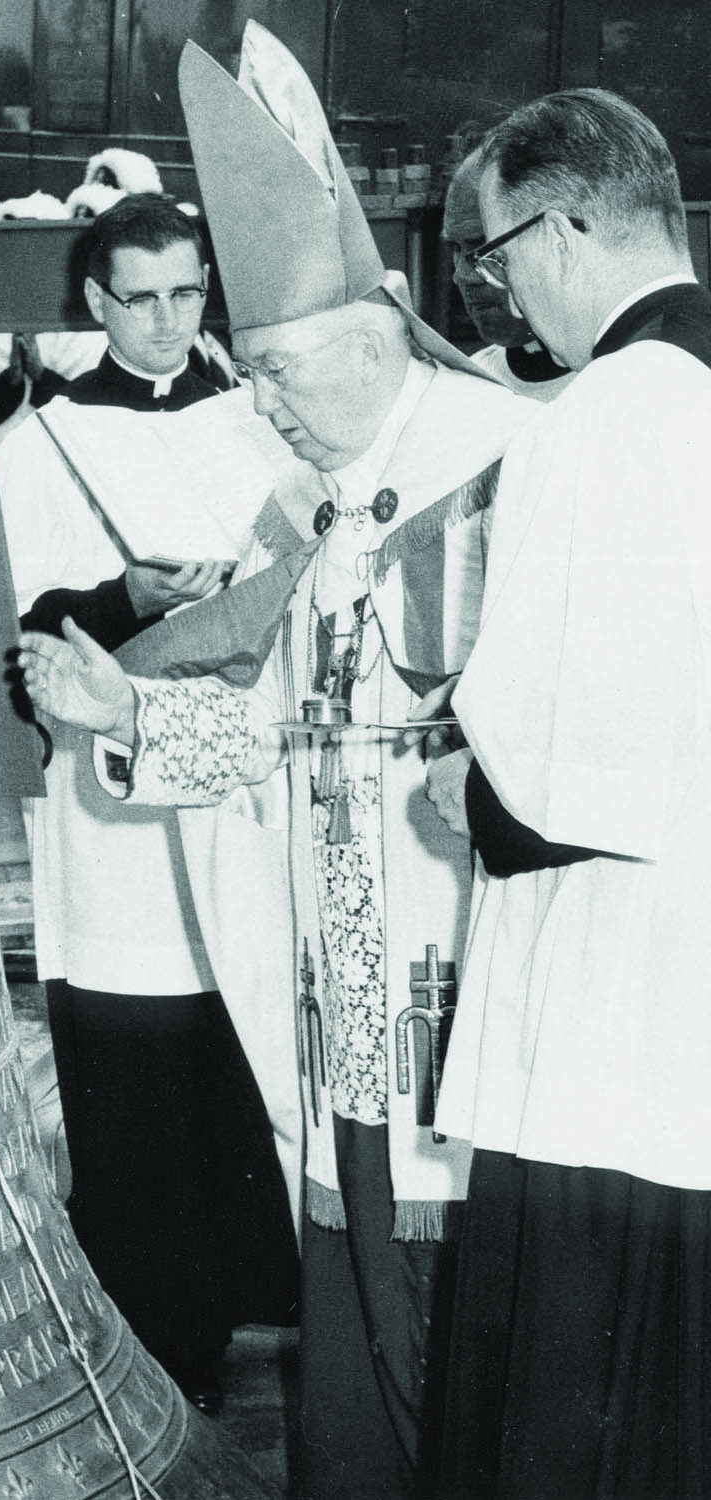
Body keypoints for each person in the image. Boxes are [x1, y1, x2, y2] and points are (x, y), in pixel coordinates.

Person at [18, 23, 537, 1500]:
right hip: (345, 1004)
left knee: (471, 1331)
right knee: (358, 1334)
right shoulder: (330, 517)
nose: (267, 406)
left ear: (362, 348)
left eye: (280, 376)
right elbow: (273, 735)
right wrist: (125, 716)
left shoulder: (503, 468)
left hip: (473, 988)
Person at [419, 88, 711, 1500]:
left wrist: (457, 789)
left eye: (498, 255)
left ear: (567, 226)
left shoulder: (605, 418)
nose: (506, 292)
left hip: (619, 1015)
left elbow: (556, 792)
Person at [0, 191, 299, 1414]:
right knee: (139, 1066)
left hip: (243, 781)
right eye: (143, 298)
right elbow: (12, 634)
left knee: (246, 1036)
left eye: (189, 294)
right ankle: (158, 1346)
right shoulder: (41, 444)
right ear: (94, 303)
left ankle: (262, 1308)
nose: (171, 321)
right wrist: (126, 593)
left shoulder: (264, 422)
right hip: (111, 808)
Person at [441, 147, 575, 401]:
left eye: (484, 246)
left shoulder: (628, 383)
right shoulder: (470, 386)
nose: (462, 276)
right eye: (456, 249)